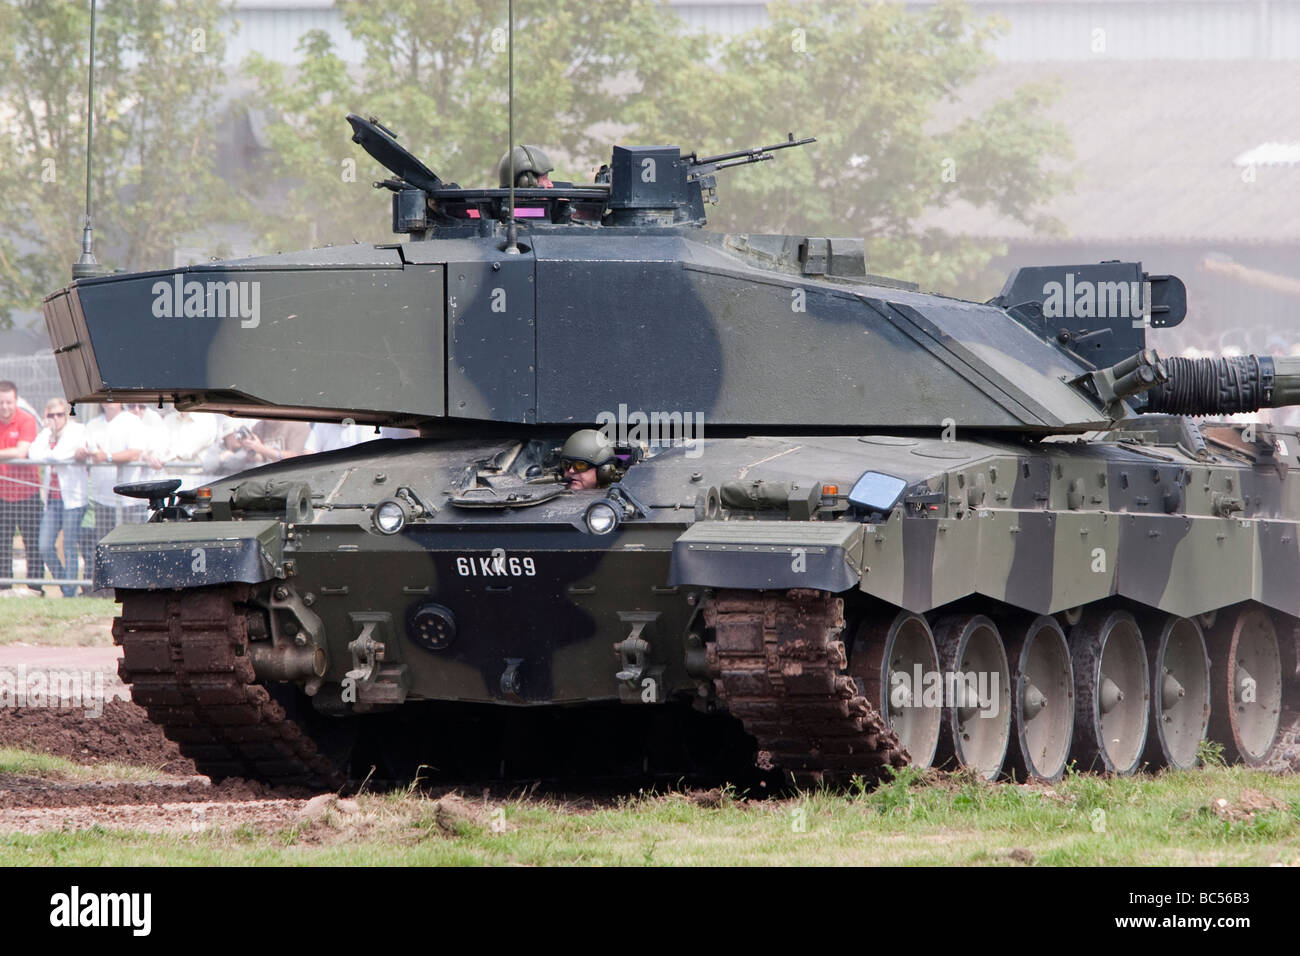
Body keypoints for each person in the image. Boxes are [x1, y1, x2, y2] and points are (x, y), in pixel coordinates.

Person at [28, 399, 87, 597]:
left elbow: (60, 455)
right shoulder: (46, 434)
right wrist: (50, 444)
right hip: (52, 499)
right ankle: (67, 586)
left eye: (60, 415)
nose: (55, 419)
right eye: (51, 415)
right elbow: (33, 454)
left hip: (73, 498)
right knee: (45, 545)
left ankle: (69, 593)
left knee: (69, 546)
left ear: (66, 415)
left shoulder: (77, 430)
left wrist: (50, 452)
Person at [0, 381, 41, 590]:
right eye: (1, 403)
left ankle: (35, 587)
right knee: (2, 544)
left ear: (15, 401)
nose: (5, 407)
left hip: (28, 493)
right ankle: (4, 587)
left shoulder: (26, 420)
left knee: (32, 543)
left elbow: (21, 451)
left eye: (8, 402)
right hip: (3, 495)